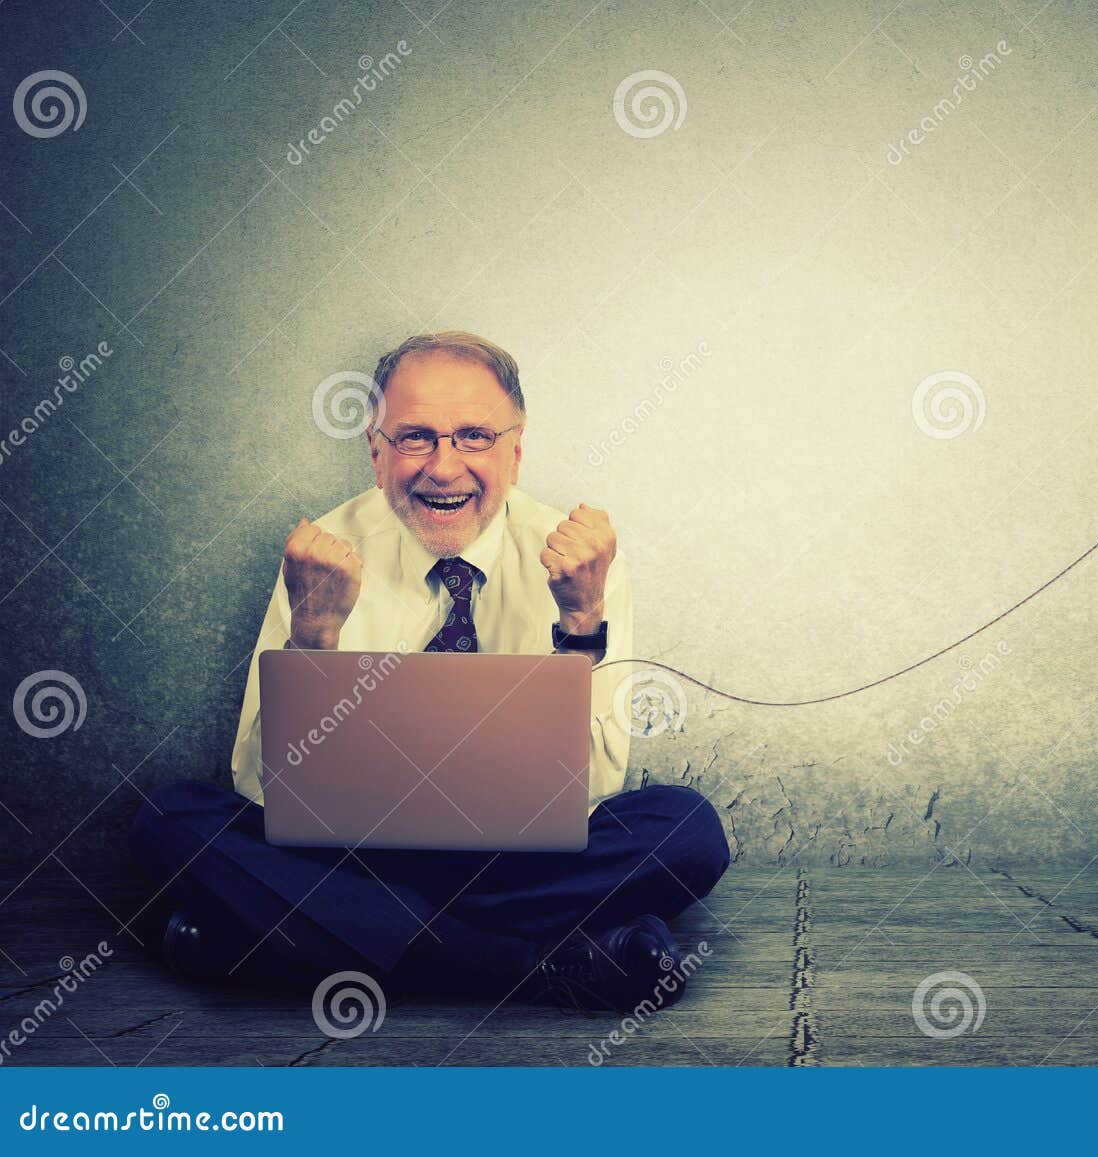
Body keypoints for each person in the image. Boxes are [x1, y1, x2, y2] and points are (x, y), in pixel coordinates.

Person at [128, 331, 729, 1011]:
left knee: (687, 830)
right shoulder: (322, 551)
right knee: (168, 817)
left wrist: (582, 623)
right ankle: (533, 964)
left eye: (474, 436)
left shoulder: (581, 558)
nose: (444, 468)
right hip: (353, 856)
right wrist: (314, 634)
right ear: (376, 453)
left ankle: (271, 943)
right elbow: (261, 785)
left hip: (516, 861)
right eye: (416, 437)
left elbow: (592, 785)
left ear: (516, 451)